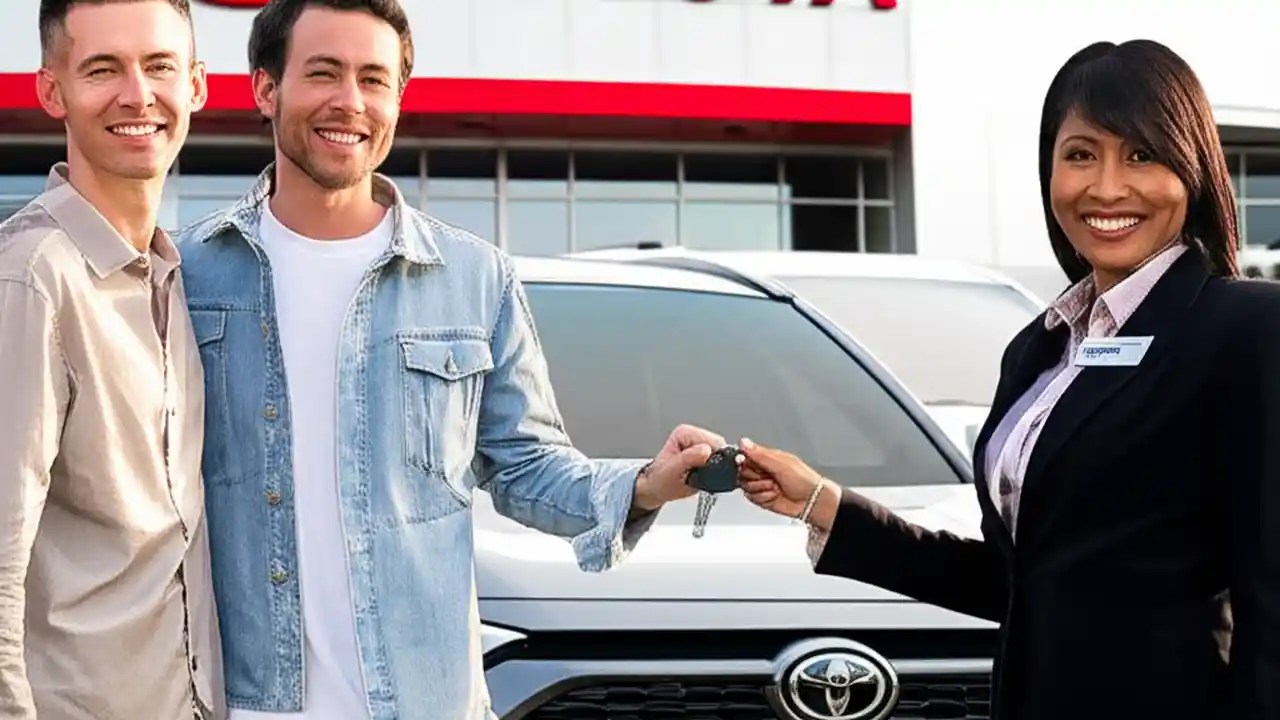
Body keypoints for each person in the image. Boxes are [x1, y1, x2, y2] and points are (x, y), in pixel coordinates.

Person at [174, 1, 722, 718]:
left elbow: (524, 464)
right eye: (323, 73)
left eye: (375, 79)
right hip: (241, 706)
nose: (351, 102)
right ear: (265, 89)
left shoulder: (474, 279)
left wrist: (646, 484)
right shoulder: (187, 274)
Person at [737, 39, 1280, 720]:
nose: (1107, 187)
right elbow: (1025, 581)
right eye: (1081, 154)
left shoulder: (1246, 329)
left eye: (1141, 154)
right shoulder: (1040, 350)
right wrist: (822, 502)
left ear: (1192, 168)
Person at [0, 1, 224, 719]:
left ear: (196, 85)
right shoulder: (32, 278)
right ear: (51, 90)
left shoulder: (178, 276)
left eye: (159, 66)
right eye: (102, 69)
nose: (138, 94)